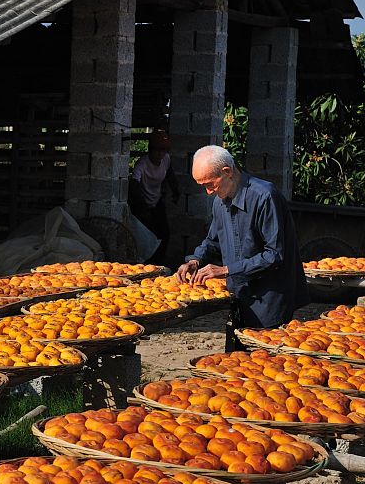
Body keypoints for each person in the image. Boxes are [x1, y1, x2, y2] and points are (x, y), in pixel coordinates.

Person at [175, 145, 307, 351]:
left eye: (210, 185)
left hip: (269, 297)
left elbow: (274, 255)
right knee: (237, 360)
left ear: (227, 172)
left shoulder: (265, 196)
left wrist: (226, 270)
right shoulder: (220, 202)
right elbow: (213, 241)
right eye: (203, 186)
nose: (208, 192)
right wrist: (195, 260)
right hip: (239, 294)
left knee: (265, 364)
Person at [129, 129, 180, 264]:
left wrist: (175, 191)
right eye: (157, 150)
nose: (160, 154)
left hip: (156, 201)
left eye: (163, 151)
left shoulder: (166, 160)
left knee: (164, 234)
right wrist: (141, 206)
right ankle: (144, 263)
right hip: (142, 204)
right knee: (147, 236)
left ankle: (158, 263)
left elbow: (169, 174)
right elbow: (134, 183)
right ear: (150, 150)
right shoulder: (142, 163)